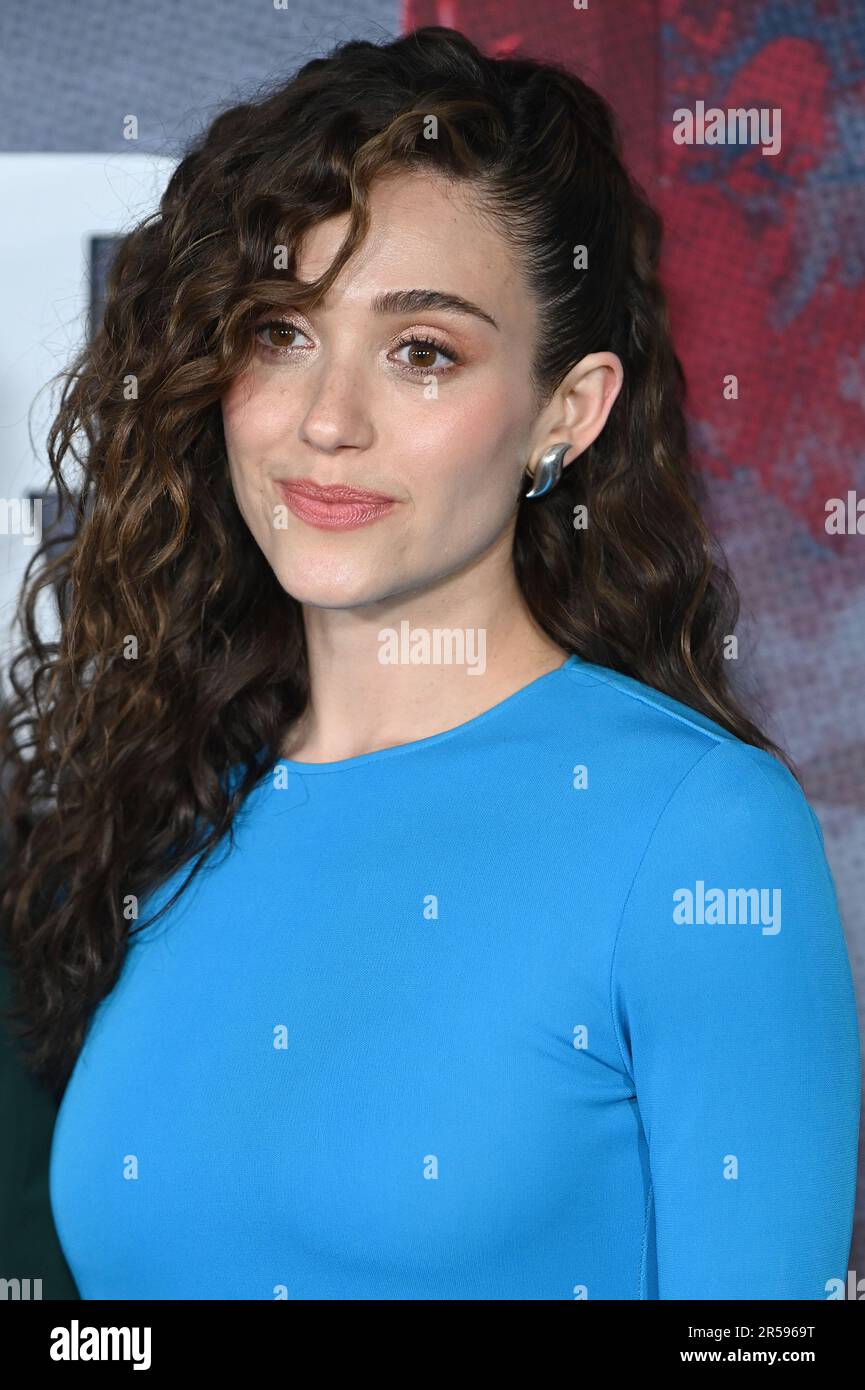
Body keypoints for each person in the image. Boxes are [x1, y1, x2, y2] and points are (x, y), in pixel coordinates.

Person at [0, 25, 859, 1300]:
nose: (327, 421)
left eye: (423, 352)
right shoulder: (168, 801)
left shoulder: (701, 834)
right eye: (281, 332)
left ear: (565, 414)